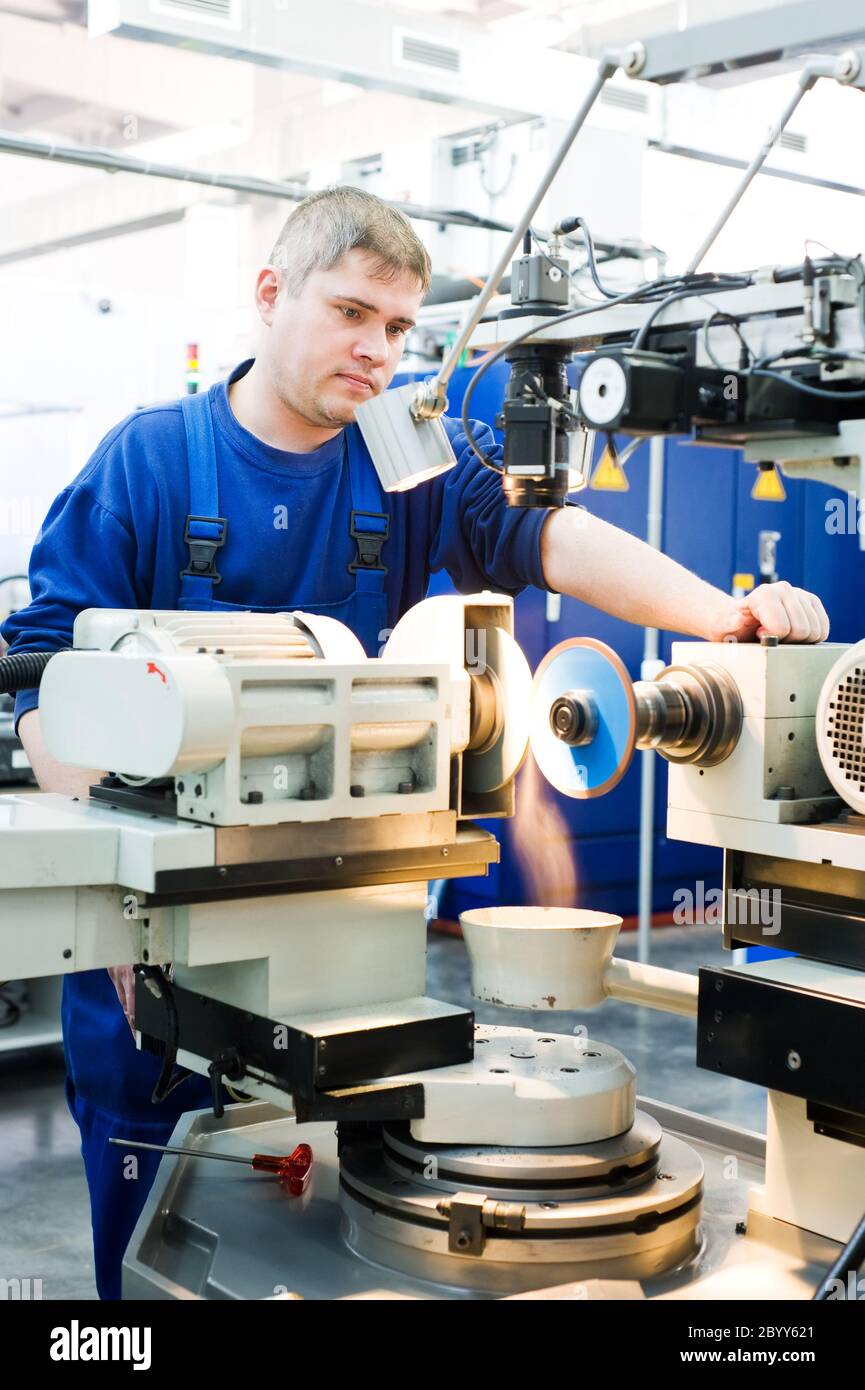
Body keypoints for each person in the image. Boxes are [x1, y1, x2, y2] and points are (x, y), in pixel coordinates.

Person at [1, 185, 830, 1299]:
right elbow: (45, 678)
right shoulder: (150, 464)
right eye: (351, 314)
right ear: (269, 294)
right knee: (156, 1268)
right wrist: (125, 901)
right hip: (158, 981)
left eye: (398, 328)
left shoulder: (404, 454)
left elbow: (546, 533)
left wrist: (723, 617)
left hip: (347, 957)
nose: (378, 352)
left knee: (309, 1255)